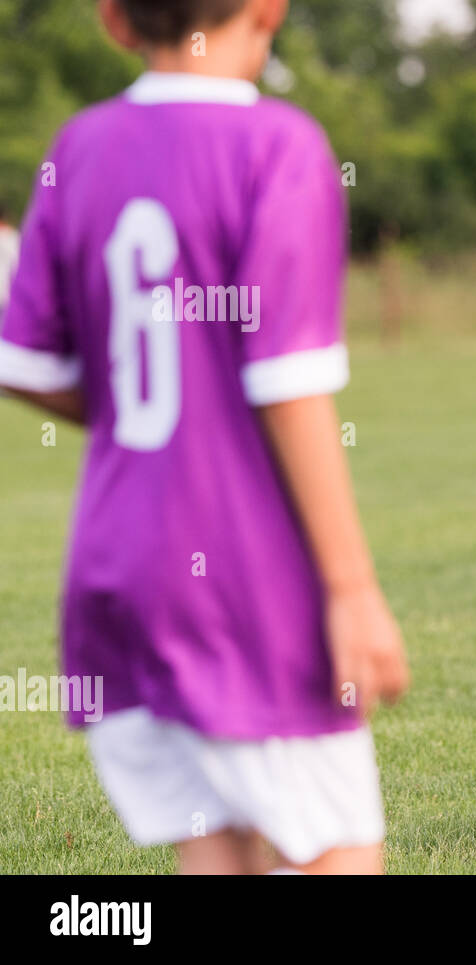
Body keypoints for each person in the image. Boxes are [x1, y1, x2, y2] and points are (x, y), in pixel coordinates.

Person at [0, 0, 409, 873]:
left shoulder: (81, 146)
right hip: (241, 575)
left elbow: (29, 363)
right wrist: (352, 587)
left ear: (113, 20)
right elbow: (288, 385)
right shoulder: (278, 145)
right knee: (338, 852)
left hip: (117, 568)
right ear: (270, 9)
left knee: (219, 845)